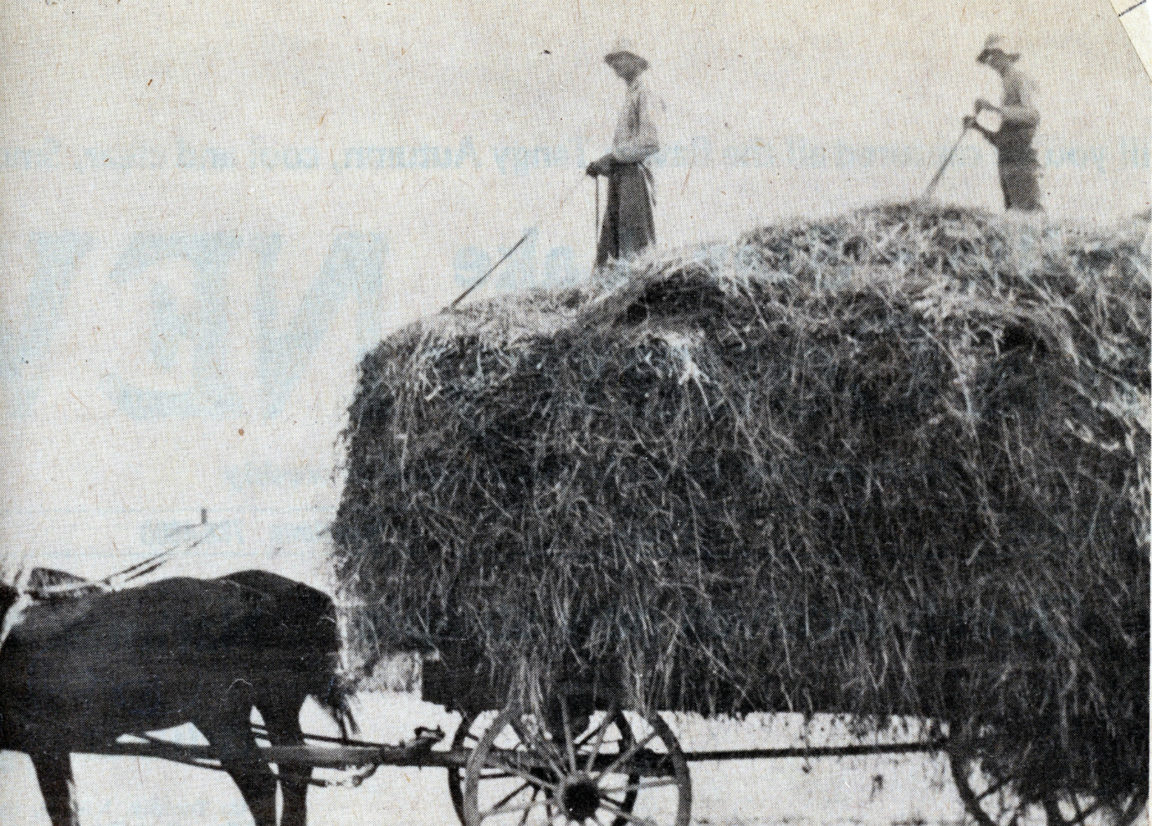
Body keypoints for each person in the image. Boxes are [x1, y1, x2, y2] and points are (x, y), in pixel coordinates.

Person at [586, 39, 662, 266]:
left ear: (636, 60)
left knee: (635, 252)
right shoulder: (630, 96)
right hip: (621, 178)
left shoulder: (646, 93)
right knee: (612, 250)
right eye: (613, 60)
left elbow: (651, 141)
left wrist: (613, 157)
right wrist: (604, 165)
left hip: (635, 180)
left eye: (620, 57)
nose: (614, 64)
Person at [964, 35, 1044, 214]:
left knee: (1028, 219)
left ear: (1004, 55)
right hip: (1008, 163)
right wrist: (977, 126)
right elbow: (1002, 140)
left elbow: (1033, 115)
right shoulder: (1005, 85)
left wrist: (994, 109)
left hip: (1022, 163)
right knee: (1015, 220)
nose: (990, 62)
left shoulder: (1020, 78)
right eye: (987, 57)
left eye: (992, 55)